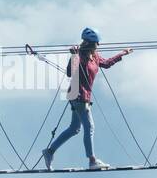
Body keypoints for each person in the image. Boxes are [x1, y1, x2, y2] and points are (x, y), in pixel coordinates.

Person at [41, 28, 131, 170]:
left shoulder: (94, 56)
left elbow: (106, 64)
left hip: (83, 95)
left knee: (74, 128)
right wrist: (74, 56)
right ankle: (92, 160)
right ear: (89, 43)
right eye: (96, 43)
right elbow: (70, 73)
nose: (98, 45)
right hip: (78, 95)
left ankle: (50, 151)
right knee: (89, 127)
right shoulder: (79, 55)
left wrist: (122, 53)